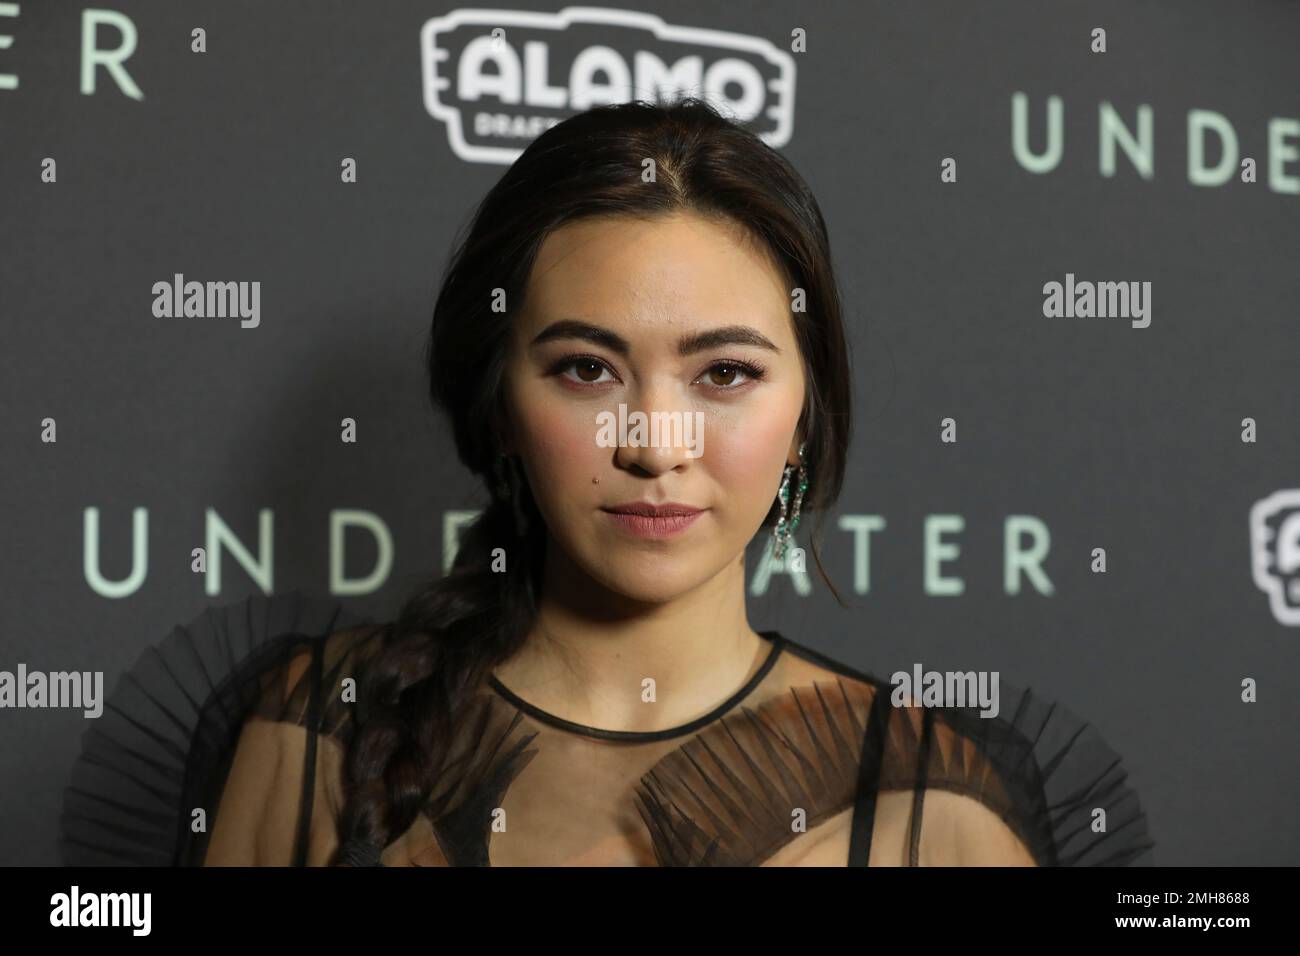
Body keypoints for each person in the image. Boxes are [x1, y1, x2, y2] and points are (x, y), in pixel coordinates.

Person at [59, 98, 1154, 868]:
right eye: (586, 369)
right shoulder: (310, 740)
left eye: (724, 372)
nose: (654, 438)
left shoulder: (931, 803)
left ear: (805, 413)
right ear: (498, 399)